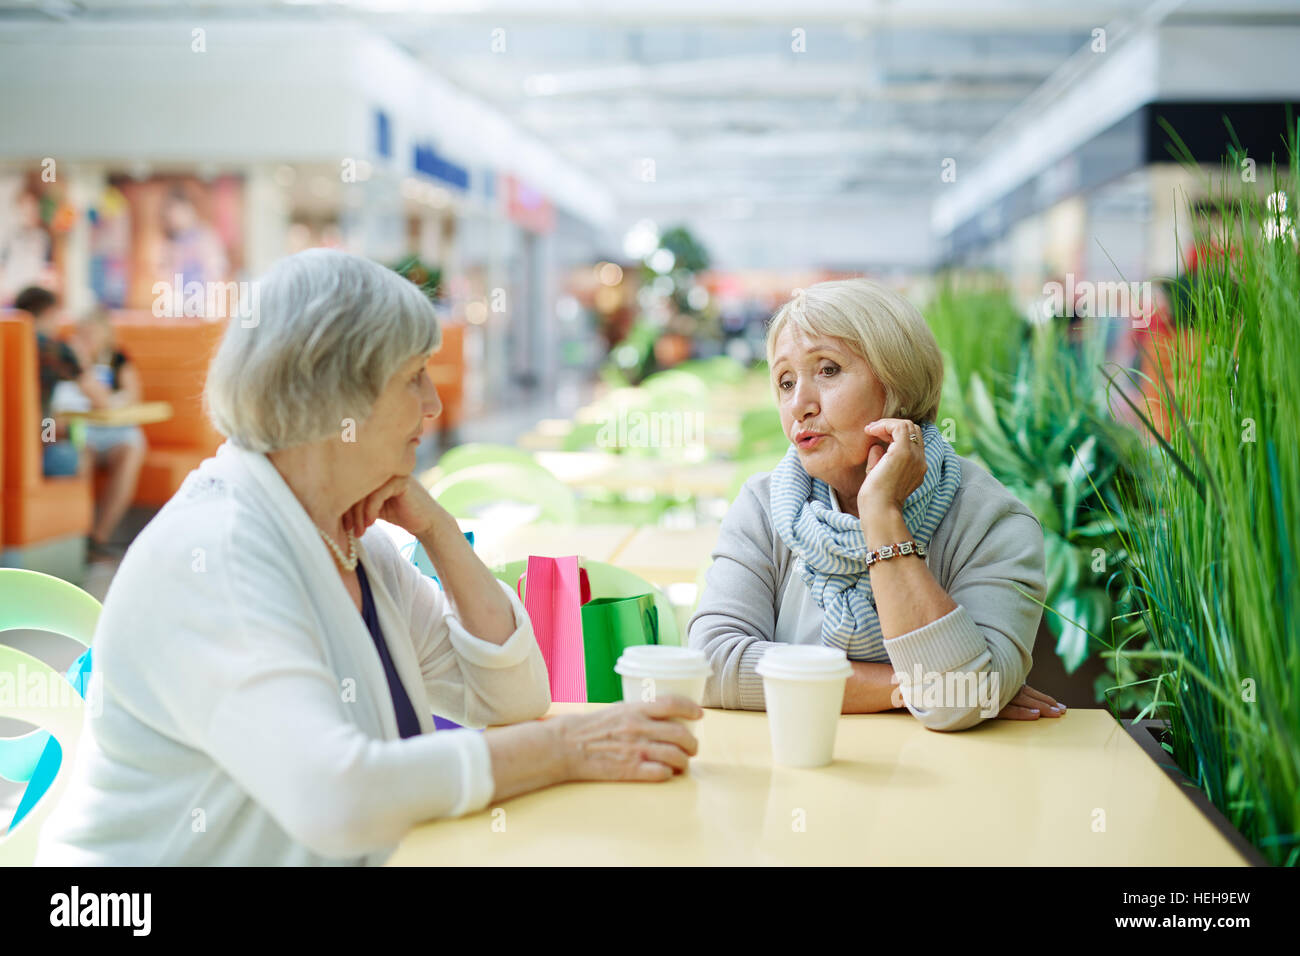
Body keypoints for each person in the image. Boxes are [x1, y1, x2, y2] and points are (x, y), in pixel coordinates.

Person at [35, 249, 701, 866]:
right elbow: (335, 799)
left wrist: (438, 529)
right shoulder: (217, 553)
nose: (436, 405)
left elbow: (512, 698)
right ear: (332, 395)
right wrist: (564, 750)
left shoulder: (356, 541)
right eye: (414, 378)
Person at [689, 279, 1063, 732]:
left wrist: (882, 515)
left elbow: (959, 701)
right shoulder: (764, 506)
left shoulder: (994, 523)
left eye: (827, 370)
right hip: (795, 779)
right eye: (785, 382)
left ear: (897, 381)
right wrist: (904, 689)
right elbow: (709, 665)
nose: (800, 405)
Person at [64, 311, 148, 558]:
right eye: (83, 332)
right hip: (83, 430)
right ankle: (77, 536)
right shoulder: (68, 361)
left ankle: (98, 538)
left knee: (132, 449)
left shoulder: (118, 358)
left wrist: (112, 402)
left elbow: (133, 397)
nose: (88, 338)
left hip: (117, 432)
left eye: (93, 332)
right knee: (79, 458)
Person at [13, 286, 112, 479]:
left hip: (8, 452)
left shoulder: (6, 339)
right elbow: (102, 402)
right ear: (50, 313)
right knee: (75, 452)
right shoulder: (54, 350)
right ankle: (73, 508)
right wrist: (80, 358)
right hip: (35, 451)